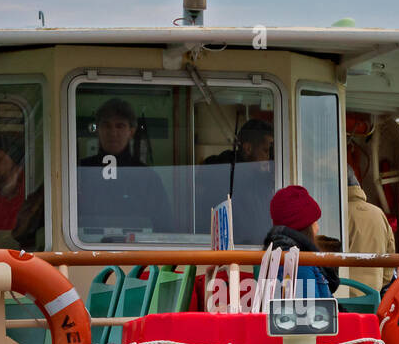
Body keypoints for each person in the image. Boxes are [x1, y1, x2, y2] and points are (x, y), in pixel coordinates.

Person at [76, 97, 173, 234]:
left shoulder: (147, 177)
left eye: (120, 126)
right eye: (106, 125)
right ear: (98, 129)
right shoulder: (80, 172)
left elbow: (165, 227)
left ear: (131, 131)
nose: (113, 133)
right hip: (84, 252)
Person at [197, 118, 275, 244]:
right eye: (265, 151)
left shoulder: (262, 179)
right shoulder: (224, 177)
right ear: (248, 148)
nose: (268, 158)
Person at [261, 185, 340, 299]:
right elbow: (313, 312)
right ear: (304, 227)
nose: (317, 228)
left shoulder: (286, 258)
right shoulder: (300, 265)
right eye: (314, 222)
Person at [345, 169, 395, 291]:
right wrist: (378, 285)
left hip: (344, 295)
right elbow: (390, 255)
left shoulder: (338, 213)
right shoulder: (379, 213)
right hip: (373, 293)